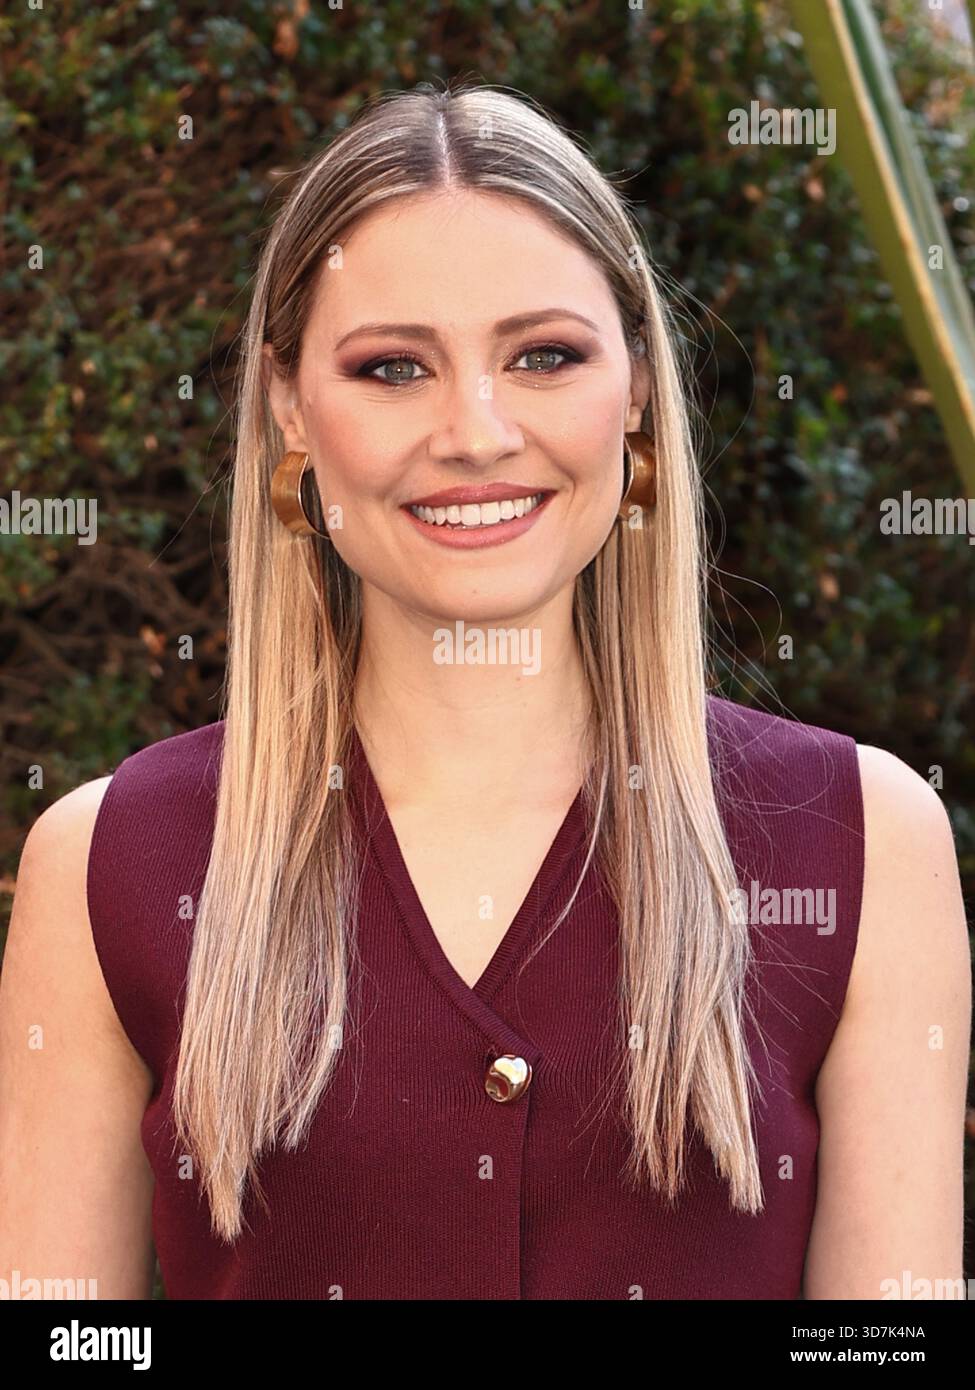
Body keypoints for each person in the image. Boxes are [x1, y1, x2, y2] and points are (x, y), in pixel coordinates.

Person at [0, 80, 969, 1302]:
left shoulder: (866, 840)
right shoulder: (107, 859)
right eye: (394, 367)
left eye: (545, 355)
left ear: (638, 402)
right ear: (291, 410)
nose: (476, 430)